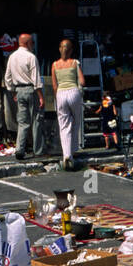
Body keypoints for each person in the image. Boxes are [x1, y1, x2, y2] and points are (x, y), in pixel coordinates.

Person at [3, 32, 45, 160]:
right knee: (36, 120)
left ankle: (19, 149)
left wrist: (13, 91)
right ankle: (38, 150)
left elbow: (7, 77)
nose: (33, 44)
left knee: (22, 122)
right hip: (31, 90)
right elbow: (36, 78)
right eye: (31, 42)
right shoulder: (31, 57)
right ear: (27, 43)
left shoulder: (12, 57)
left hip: (19, 91)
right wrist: (41, 96)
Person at [51, 39, 85, 170]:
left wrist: (57, 99)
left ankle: (67, 155)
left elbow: (54, 85)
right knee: (76, 122)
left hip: (60, 94)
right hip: (74, 93)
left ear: (60, 49)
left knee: (64, 126)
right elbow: (82, 81)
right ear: (71, 50)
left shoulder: (54, 65)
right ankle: (73, 150)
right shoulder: (75, 63)